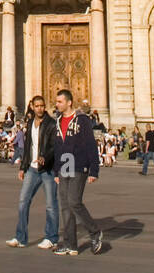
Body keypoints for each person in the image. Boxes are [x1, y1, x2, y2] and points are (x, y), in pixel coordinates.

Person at [52, 88, 103, 257]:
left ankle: (95, 232)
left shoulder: (82, 120)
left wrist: (94, 170)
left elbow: (90, 145)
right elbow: (57, 148)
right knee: (65, 206)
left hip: (78, 165)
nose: (57, 104)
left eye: (59, 102)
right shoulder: (58, 121)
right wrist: (56, 171)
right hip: (64, 166)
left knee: (74, 201)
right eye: (56, 101)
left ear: (69, 102)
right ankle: (70, 244)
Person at [6, 95, 58, 249]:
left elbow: (54, 146)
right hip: (32, 169)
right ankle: (21, 237)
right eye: (37, 106)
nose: (40, 108)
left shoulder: (51, 124)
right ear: (32, 107)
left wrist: (45, 157)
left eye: (42, 105)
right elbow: (28, 145)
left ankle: (52, 238)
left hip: (48, 169)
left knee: (51, 205)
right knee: (23, 201)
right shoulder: (30, 123)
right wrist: (23, 167)